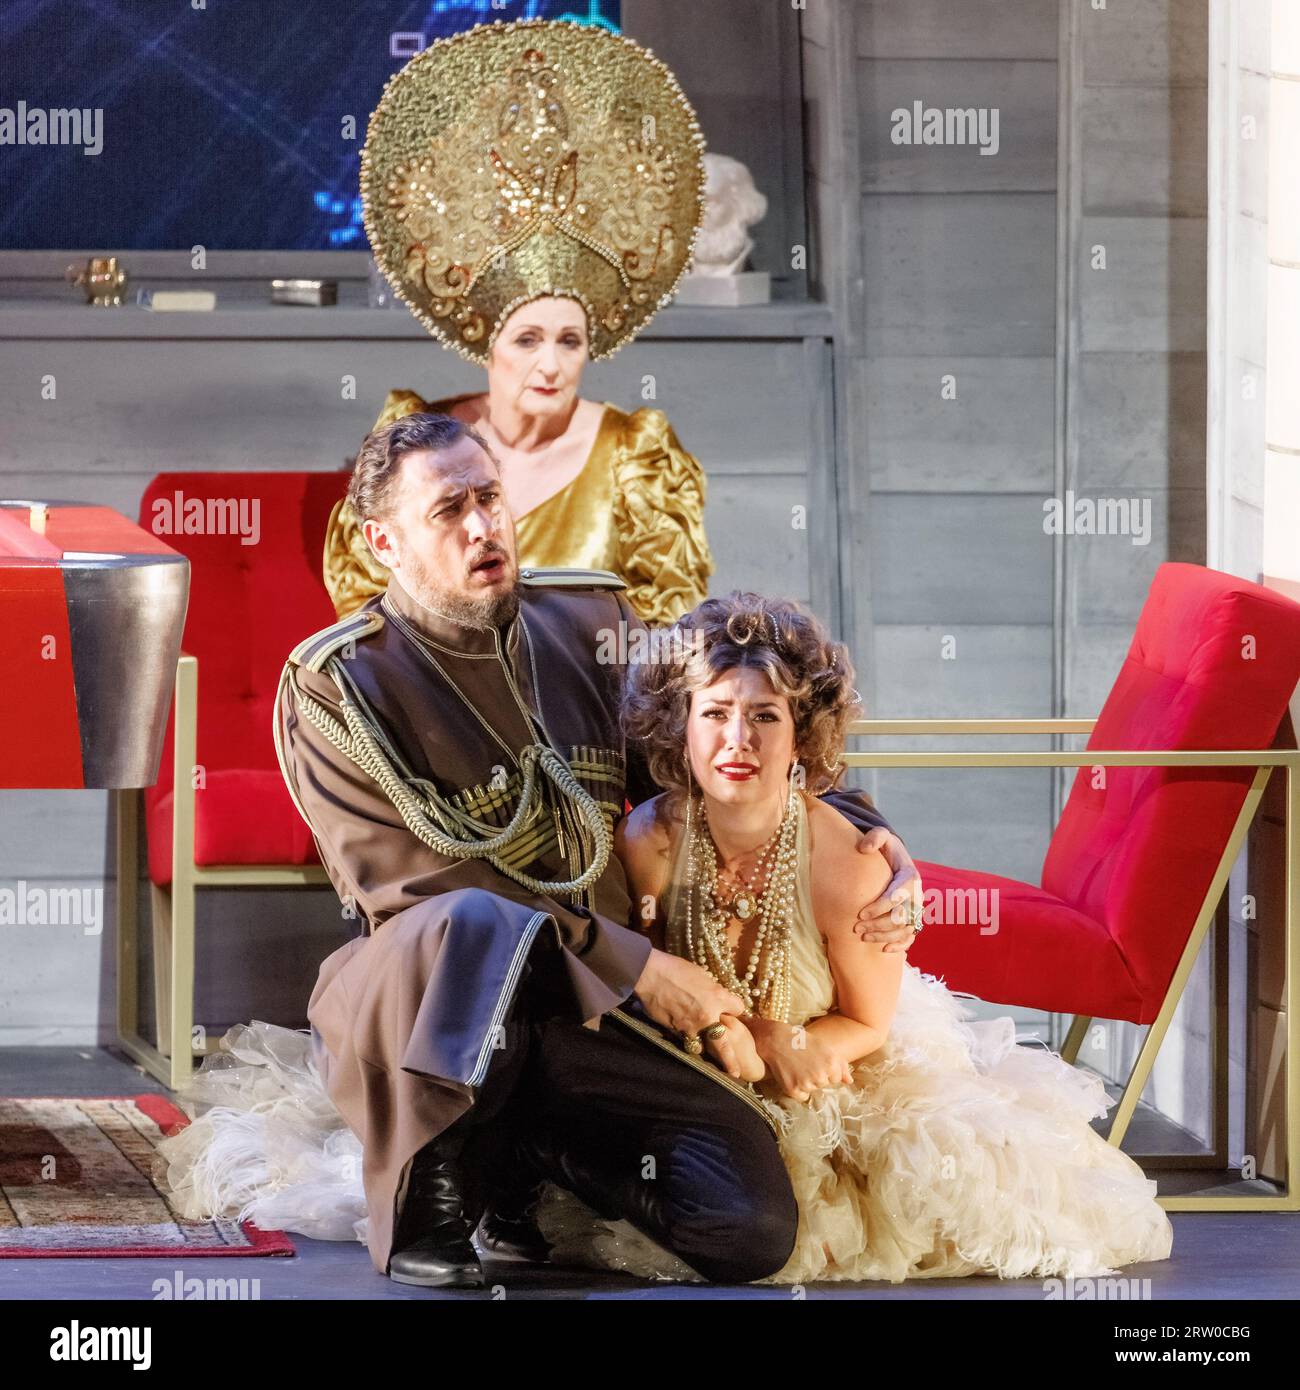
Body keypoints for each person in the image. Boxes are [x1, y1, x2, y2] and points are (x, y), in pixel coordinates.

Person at [153, 411, 922, 1289]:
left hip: (591, 1016)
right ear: (383, 543)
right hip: (432, 1006)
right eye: (448, 511)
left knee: (747, 1230)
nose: (483, 527)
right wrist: (639, 967)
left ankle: (531, 1152)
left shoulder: (587, 622)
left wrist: (864, 826)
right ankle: (429, 1207)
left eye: (490, 498)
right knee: (476, 923)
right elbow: (417, 887)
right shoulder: (339, 683)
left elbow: (708, 752)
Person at [530, 593, 1175, 1284]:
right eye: (714, 713)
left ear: (802, 735)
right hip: (698, 1066)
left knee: (814, 1223)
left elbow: (867, 1023)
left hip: (832, 1075)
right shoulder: (648, 841)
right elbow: (645, 984)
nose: (736, 741)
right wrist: (736, 1030)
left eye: (764, 717)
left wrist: (792, 1041)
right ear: (680, 727)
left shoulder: (851, 865)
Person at [324, 18, 716, 627]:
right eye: (528, 339)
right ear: (486, 342)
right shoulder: (418, 444)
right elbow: (370, 614)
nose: (551, 364)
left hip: (593, 715)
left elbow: (663, 637)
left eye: (570, 340)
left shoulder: (636, 457)